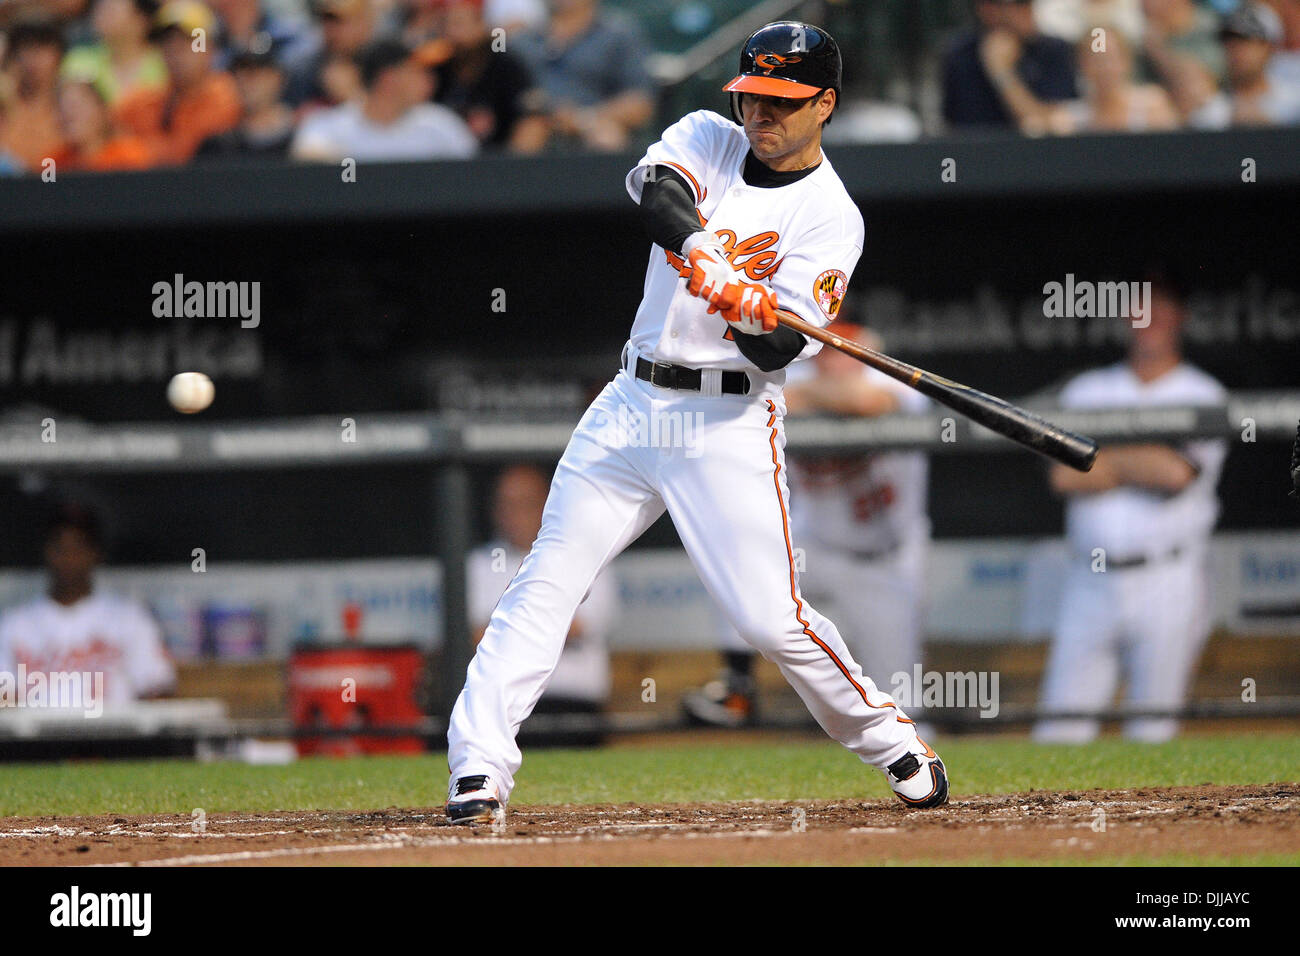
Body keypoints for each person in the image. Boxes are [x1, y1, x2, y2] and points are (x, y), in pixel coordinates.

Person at [444, 21, 948, 826]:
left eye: (783, 101)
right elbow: (658, 195)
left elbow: (783, 344)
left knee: (768, 619)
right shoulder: (708, 136)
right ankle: (478, 767)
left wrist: (751, 313)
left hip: (727, 420)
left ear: (826, 104)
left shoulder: (831, 217)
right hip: (632, 400)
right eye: (753, 94)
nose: (760, 112)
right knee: (543, 582)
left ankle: (890, 739)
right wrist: (714, 264)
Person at [683, 322, 932, 730]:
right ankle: (737, 686)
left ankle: (916, 759)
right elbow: (738, 400)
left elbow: (866, 402)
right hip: (818, 549)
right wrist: (807, 391)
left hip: (883, 561)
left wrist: (810, 395)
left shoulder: (894, 381)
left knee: (902, 701)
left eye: (845, 356)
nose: (834, 365)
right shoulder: (796, 378)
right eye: (826, 355)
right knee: (741, 566)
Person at [1034, 275, 1227, 744]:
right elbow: (1062, 476)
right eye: (1140, 310)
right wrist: (1143, 454)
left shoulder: (1203, 394)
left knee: (1153, 731)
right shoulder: (1087, 390)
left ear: (1179, 318)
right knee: (1059, 732)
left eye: (1161, 311)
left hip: (1168, 578)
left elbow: (1175, 474)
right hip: (1090, 581)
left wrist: (1101, 456)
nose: (1149, 321)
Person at [467, 465, 615, 717]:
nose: (516, 514)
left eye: (526, 503)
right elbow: (476, 636)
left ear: (548, 503)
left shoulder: (586, 555)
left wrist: (507, 625)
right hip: (503, 704)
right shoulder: (479, 564)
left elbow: (577, 627)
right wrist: (546, 620)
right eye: (507, 505)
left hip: (573, 701)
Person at [0, 503, 175, 710]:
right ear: (46, 552)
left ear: (96, 553)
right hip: (36, 740)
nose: (69, 558)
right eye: (60, 548)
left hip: (115, 737)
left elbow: (157, 687)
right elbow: (3, 700)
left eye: (78, 548)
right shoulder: (14, 623)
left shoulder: (128, 617)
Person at [290, 37, 477, 161]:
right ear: (389, 79)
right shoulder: (328, 126)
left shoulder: (441, 125)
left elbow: (472, 177)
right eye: (415, 72)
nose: (429, 80)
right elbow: (308, 156)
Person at [513, 0, 654, 150]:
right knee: (529, 130)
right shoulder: (521, 39)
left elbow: (640, 103)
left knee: (608, 136)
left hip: (595, 123)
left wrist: (582, 119)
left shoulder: (620, 34)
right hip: (537, 122)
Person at [115, 0, 241, 164]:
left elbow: (189, 153)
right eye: (167, 42)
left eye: (189, 41)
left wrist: (149, 150)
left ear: (209, 47)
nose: (176, 49)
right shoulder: (138, 105)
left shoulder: (230, 99)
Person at [942, 0, 1079, 133]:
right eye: (1019, 3)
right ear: (987, 8)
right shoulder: (962, 57)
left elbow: (1053, 123)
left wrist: (1002, 72)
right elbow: (961, 128)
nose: (1028, 10)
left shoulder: (1054, 50)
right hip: (982, 152)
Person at [429, 0, 548, 152]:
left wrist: (512, 166)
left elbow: (533, 121)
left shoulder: (506, 66)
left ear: (482, 24)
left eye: (459, 24)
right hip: (445, 165)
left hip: (497, 163)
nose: (451, 33)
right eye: (444, 25)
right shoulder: (436, 70)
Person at [1050, 23, 1179, 132]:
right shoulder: (1069, 118)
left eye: (1111, 59)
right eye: (1096, 61)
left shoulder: (1152, 105)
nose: (1105, 68)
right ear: (1081, 64)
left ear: (1127, 60)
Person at [1191, 2, 1300, 127]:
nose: (1237, 50)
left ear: (1270, 47)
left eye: (1246, 40)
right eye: (1229, 42)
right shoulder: (1210, 113)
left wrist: (1270, 127)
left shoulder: (1295, 105)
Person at [59, 0, 168, 117]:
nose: (101, 13)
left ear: (141, 19)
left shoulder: (165, 63)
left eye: (111, 9)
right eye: (99, 7)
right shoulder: (79, 60)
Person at [197, 48, 296, 156]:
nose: (245, 81)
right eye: (239, 72)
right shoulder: (218, 143)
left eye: (254, 73)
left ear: (278, 78)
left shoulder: (304, 133)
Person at [1137, 0, 1225, 121]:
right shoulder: (1141, 36)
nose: (1144, 3)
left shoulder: (1208, 25)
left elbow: (1203, 80)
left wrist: (1158, 52)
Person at [0, 16, 66, 171]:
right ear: (13, 57)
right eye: (26, 48)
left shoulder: (71, 107)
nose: (33, 59)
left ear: (59, 55)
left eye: (42, 48)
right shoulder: (4, 102)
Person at [284, 0, 378, 108]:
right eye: (327, 21)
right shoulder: (302, 69)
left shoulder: (383, 64)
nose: (333, 30)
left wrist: (352, 97)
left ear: (365, 24)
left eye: (342, 22)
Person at [51, 76, 154, 170]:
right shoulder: (53, 164)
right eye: (61, 108)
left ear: (102, 110)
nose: (67, 116)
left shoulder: (129, 158)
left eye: (75, 107)